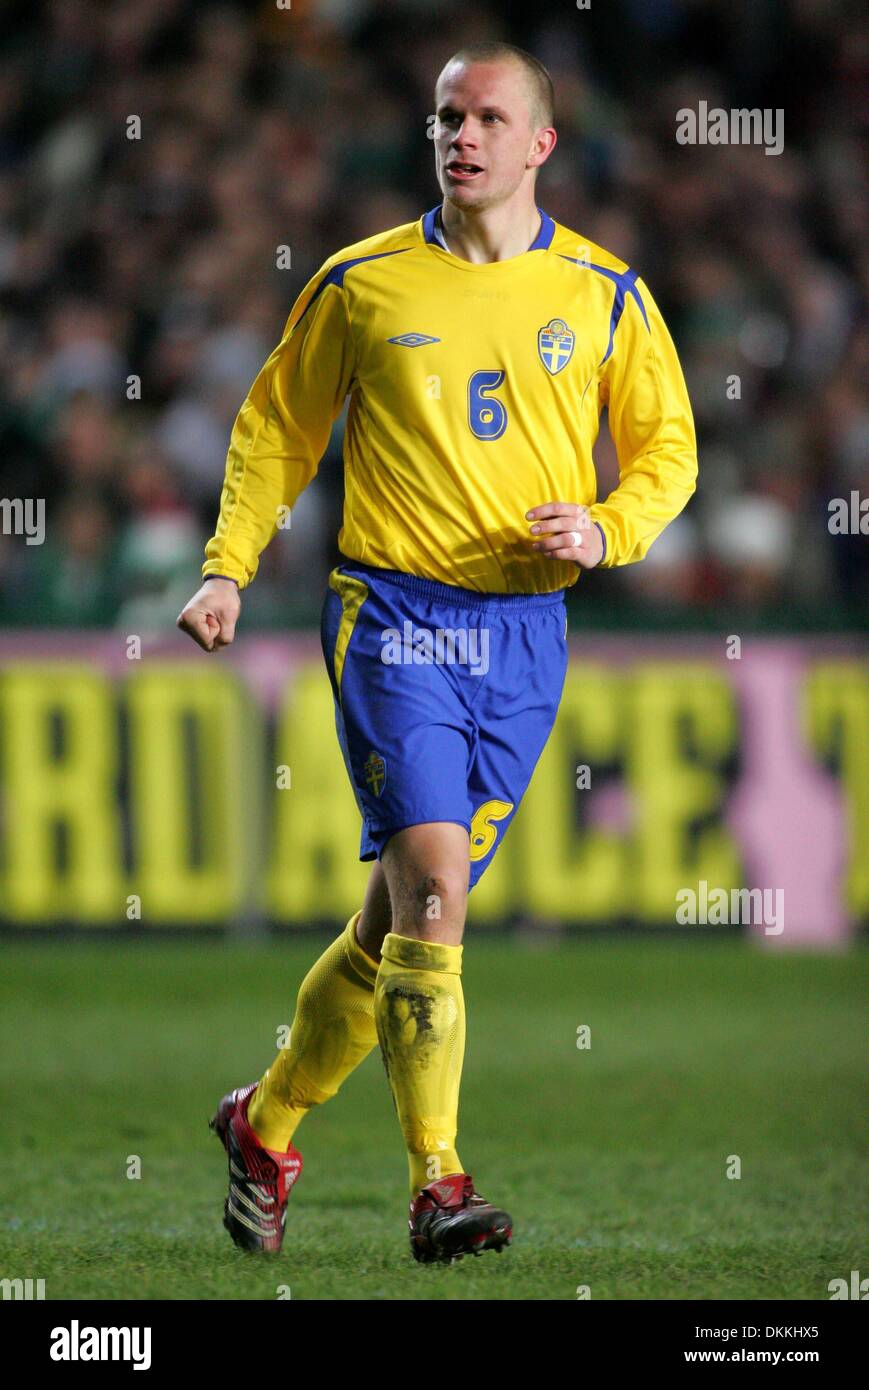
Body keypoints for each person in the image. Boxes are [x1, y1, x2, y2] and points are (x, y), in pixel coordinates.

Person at [177, 41, 697, 1263]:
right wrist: (225, 566)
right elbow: (274, 430)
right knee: (437, 889)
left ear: (539, 145)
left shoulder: (604, 294)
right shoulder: (363, 282)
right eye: (445, 116)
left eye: (487, 118)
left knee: (394, 927)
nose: (461, 135)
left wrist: (609, 523)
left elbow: (668, 448)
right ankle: (437, 1184)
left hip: (524, 633)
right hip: (392, 614)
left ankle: (264, 1122)